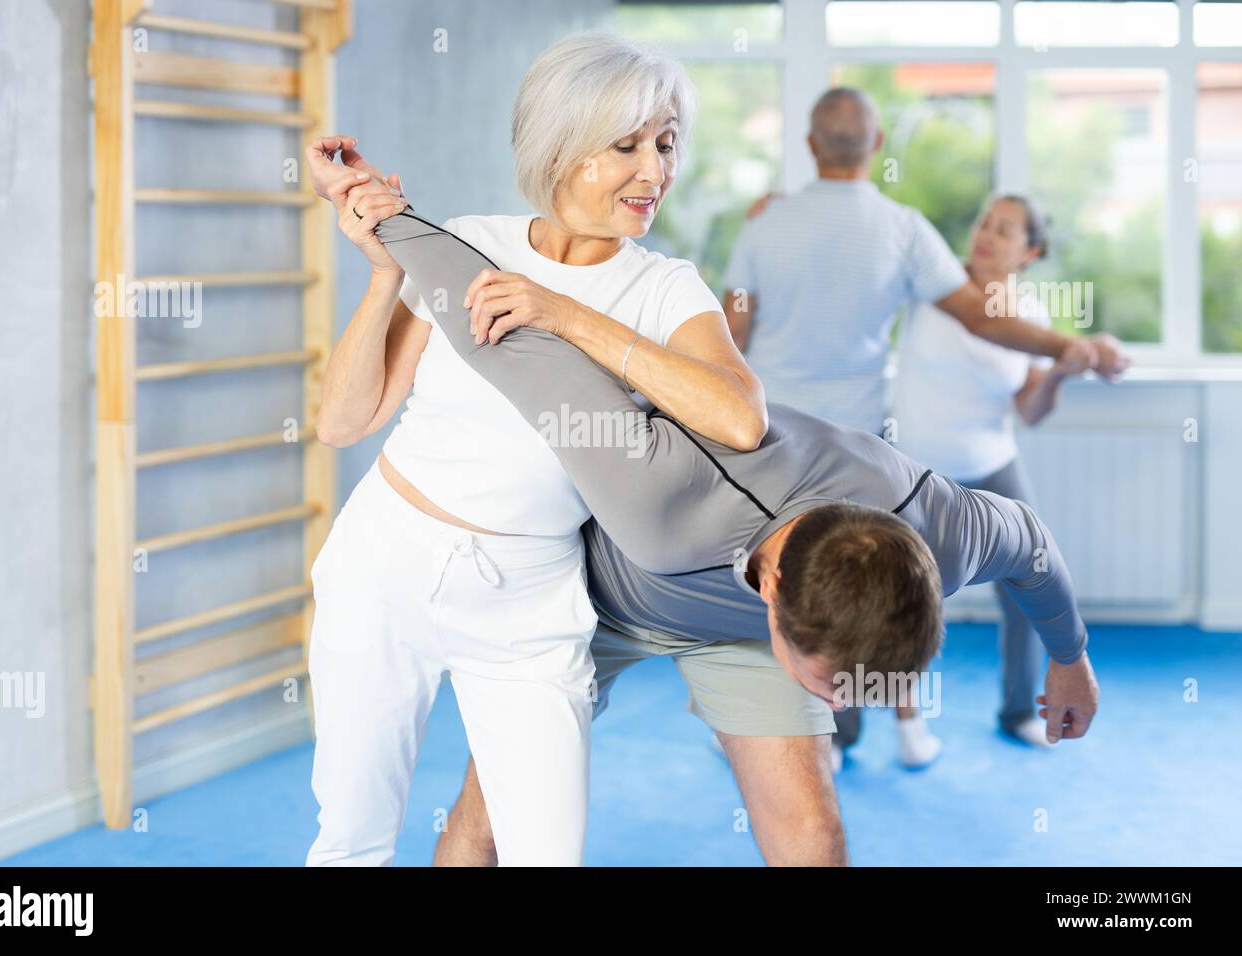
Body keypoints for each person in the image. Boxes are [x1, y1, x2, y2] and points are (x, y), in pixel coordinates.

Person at [360, 209, 1101, 866]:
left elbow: (1031, 545)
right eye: (836, 682)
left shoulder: (941, 528)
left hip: (743, 629)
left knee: (813, 841)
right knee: (492, 826)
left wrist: (1071, 658)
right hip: (603, 602)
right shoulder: (656, 491)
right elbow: (526, 351)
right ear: (774, 594)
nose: (854, 699)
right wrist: (390, 217)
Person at [303, 32, 766, 867]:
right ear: (560, 143)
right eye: (625, 145)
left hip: (529, 599)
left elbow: (738, 416)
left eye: (664, 143)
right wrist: (384, 274)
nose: (654, 171)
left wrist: (563, 314)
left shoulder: (665, 288)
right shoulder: (471, 242)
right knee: (351, 839)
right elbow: (344, 420)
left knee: (547, 854)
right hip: (386, 561)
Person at [722, 87, 1129, 767]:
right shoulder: (903, 228)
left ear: (810, 146)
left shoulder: (763, 225)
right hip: (849, 450)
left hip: (767, 438)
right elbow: (981, 315)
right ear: (877, 147)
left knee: (770, 586)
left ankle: (799, 735)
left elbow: (733, 324)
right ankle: (840, 731)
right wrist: (1068, 347)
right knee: (850, 588)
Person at [892, 193, 1105, 748]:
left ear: (1030, 251)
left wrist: (1060, 371)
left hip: (991, 464)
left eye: (1005, 230)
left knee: (1031, 584)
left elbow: (1029, 411)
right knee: (901, 597)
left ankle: (1017, 711)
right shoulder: (937, 285)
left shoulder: (1033, 316)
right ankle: (907, 721)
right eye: (984, 222)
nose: (986, 234)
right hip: (918, 467)